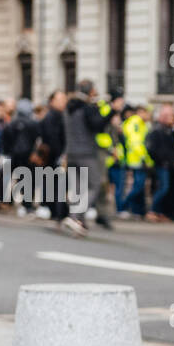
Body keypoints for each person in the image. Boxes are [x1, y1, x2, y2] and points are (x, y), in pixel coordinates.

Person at [63, 80, 111, 234]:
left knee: (78, 188)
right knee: (95, 184)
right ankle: (76, 217)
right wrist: (111, 112)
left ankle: (76, 220)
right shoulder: (87, 108)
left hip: (71, 152)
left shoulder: (69, 107)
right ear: (90, 91)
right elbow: (98, 126)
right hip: (86, 152)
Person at [146, 104, 174, 223]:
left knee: (168, 189)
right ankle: (153, 211)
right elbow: (154, 149)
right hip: (162, 164)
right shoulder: (156, 130)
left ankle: (161, 212)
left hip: (171, 165)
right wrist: (162, 160)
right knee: (163, 188)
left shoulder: (172, 130)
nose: (170, 118)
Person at [0, 98, 40, 210]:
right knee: (27, 179)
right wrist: (34, 152)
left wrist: (7, 151)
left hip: (13, 154)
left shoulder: (12, 123)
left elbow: (5, 138)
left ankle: (6, 200)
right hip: (28, 155)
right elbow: (37, 139)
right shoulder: (33, 123)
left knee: (8, 178)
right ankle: (26, 204)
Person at [39, 89, 68, 220]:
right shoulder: (52, 117)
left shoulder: (60, 115)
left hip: (55, 156)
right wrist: (60, 155)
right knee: (54, 183)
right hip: (53, 157)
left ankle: (57, 210)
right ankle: (55, 210)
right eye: (60, 100)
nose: (63, 102)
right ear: (52, 101)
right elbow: (52, 138)